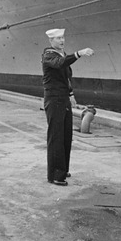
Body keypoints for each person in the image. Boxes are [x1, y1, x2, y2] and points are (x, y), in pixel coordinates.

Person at [41, 28, 94, 186]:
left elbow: (67, 78)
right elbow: (60, 64)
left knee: (66, 135)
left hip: (63, 98)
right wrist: (79, 53)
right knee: (56, 136)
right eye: (58, 38)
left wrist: (71, 96)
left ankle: (63, 168)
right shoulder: (48, 55)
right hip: (54, 99)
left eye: (63, 37)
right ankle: (55, 175)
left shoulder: (62, 55)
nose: (62, 41)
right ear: (51, 41)